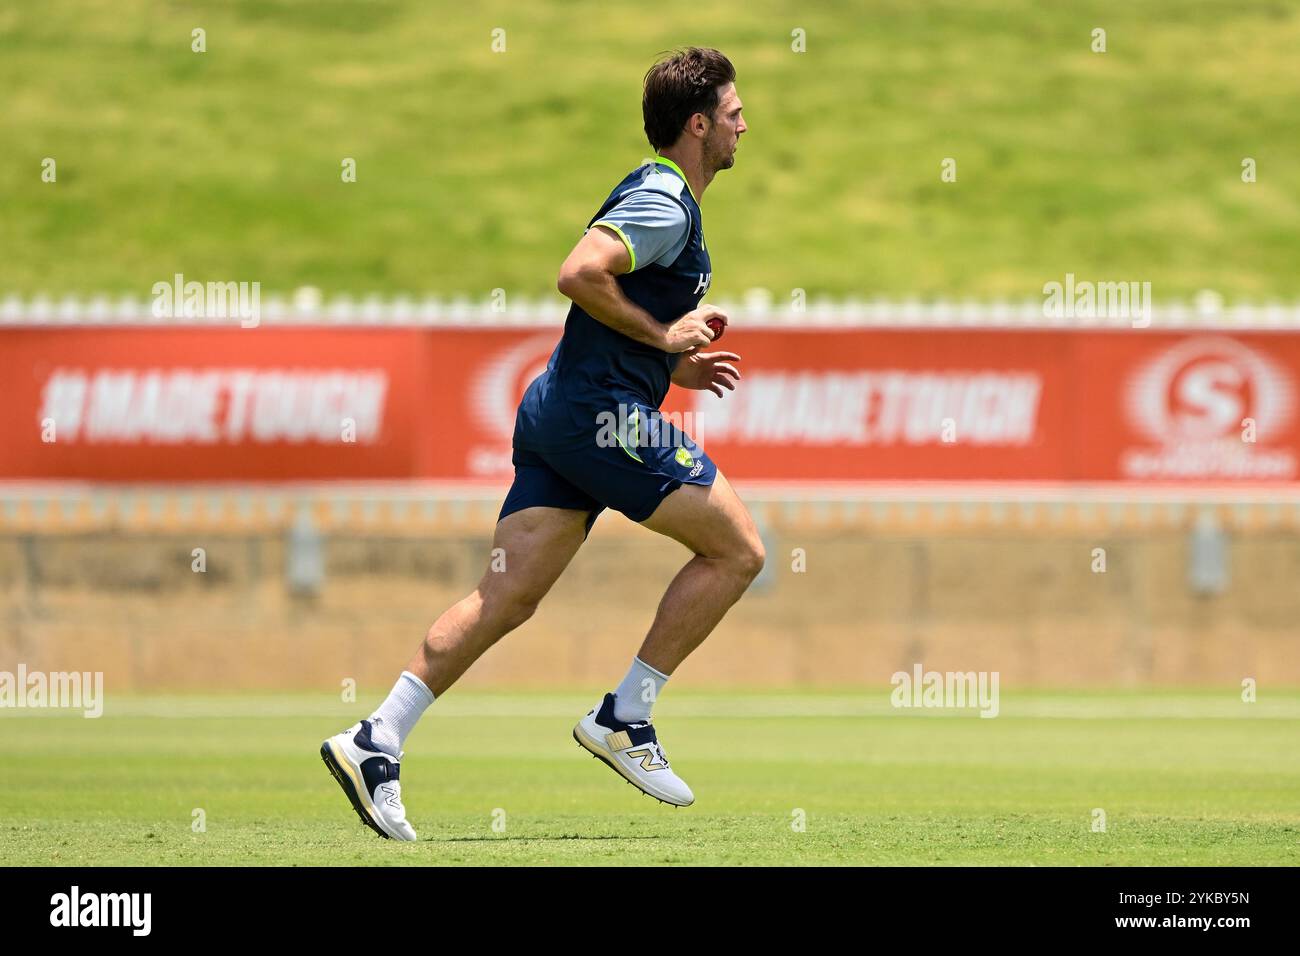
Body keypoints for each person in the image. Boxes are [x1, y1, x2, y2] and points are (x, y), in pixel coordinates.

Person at [321, 47, 762, 840]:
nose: (743, 124)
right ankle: (627, 715)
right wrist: (663, 331)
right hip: (599, 414)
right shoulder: (666, 202)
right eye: (732, 113)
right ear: (697, 125)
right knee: (739, 551)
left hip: (561, 408)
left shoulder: (658, 193)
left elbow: (608, 301)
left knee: (507, 597)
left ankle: (375, 738)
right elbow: (579, 274)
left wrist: (673, 361)